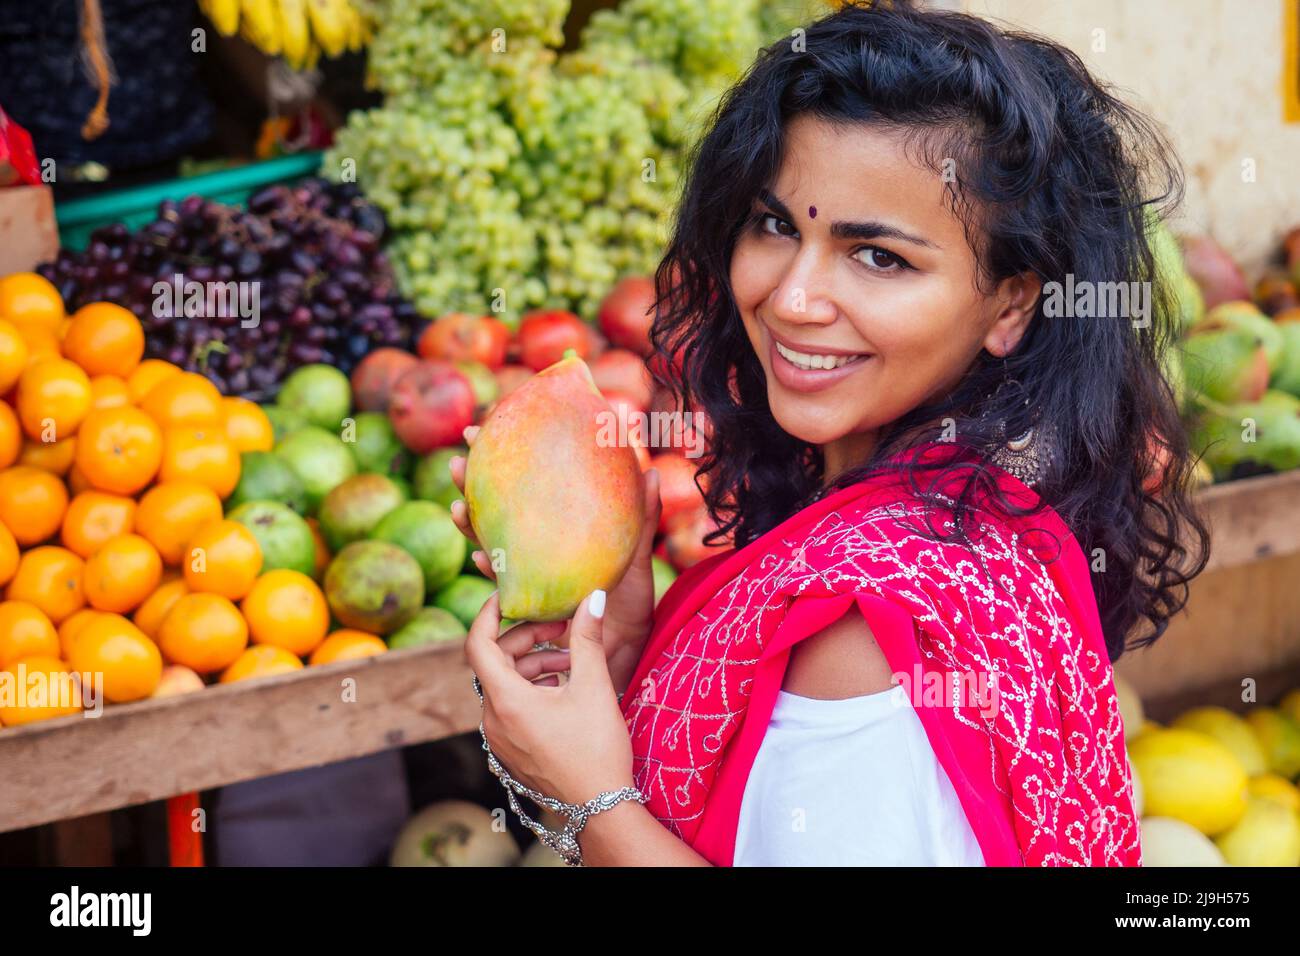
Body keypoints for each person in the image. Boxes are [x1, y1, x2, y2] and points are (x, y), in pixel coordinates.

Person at [448, 0, 1209, 866]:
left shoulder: (864, 637)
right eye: (776, 225)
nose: (793, 298)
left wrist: (592, 804)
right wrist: (627, 652)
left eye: (878, 256)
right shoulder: (959, 522)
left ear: (1011, 303)